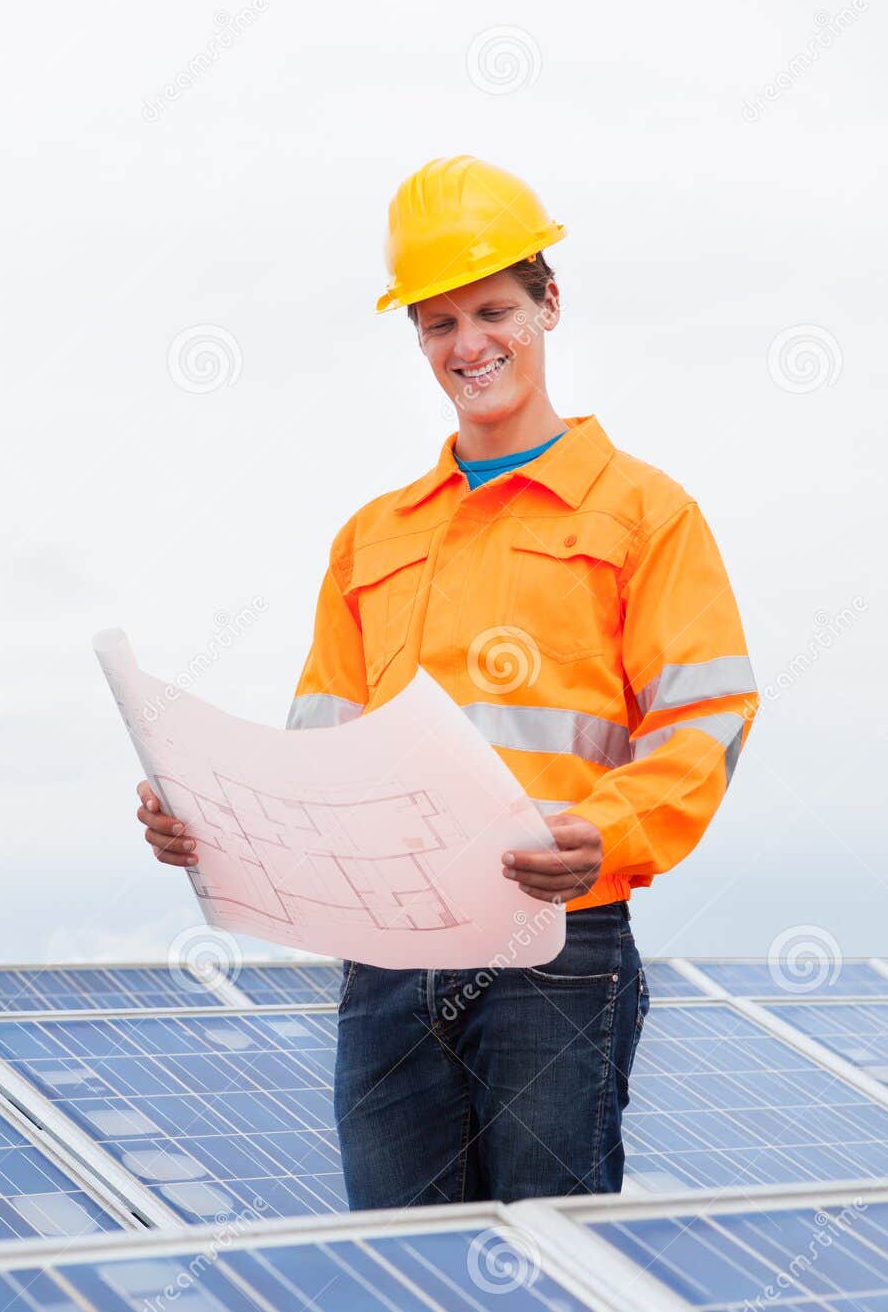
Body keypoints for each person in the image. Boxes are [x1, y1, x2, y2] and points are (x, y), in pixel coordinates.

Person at [137, 154, 759, 1210]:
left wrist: (607, 833)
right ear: (415, 339)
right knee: (400, 1280)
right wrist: (207, 822)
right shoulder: (370, 539)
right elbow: (316, 756)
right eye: (437, 324)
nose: (468, 345)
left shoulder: (641, 512)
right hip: (387, 961)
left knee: (549, 1284)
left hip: (552, 952)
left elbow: (704, 716)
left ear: (548, 304)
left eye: (492, 310)